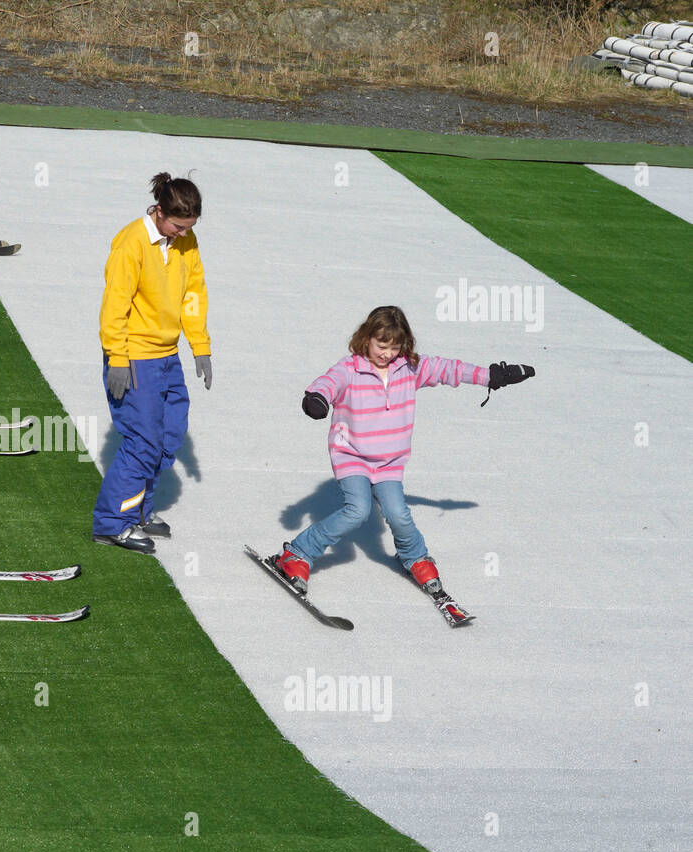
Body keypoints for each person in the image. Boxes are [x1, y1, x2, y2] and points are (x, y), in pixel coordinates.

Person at [270, 305, 535, 597]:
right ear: (366, 338)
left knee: (398, 513)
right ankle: (297, 553)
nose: (386, 353)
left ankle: (415, 557)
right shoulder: (350, 368)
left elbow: (449, 369)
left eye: (394, 347)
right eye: (381, 345)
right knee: (358, 510)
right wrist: (317, 398)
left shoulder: (409, 368)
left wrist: (490, 376)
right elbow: (328, 383)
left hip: (389, 461)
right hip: (352, 455)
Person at [91, 172, 212, 554]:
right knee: (143, 441)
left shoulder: (186, 241)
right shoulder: (131, 244)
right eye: (177, 226)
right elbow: (115, 305)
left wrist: (200, 345)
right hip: (134, 357)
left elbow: (193, 293)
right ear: (159, 211)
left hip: (167, 356)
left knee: (170, 436)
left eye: (188, 227)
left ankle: (140, 509)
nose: (182, 233)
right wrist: (118, 358)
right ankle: (113, 523)